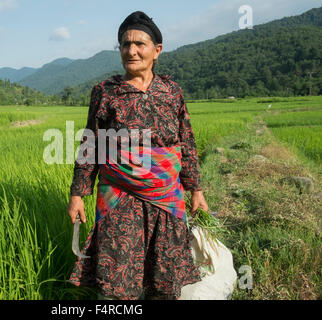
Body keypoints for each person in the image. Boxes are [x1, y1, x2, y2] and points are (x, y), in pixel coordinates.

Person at [66, 11, 209, 300]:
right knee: (119, 274)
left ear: (157, 50)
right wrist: (78, 194)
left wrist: (196, 190)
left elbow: (187, 143)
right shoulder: (106, 92)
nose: (131, 51)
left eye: (139, 44)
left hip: (166, 196)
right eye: (124, 44)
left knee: (164, 273)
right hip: (119, 195)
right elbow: (91, 143)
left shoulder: (171, 92)